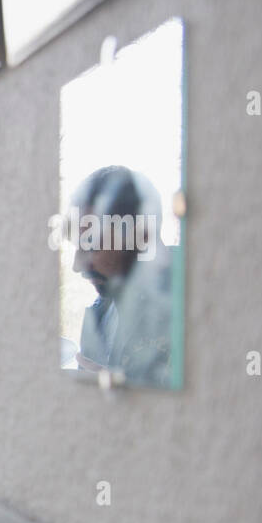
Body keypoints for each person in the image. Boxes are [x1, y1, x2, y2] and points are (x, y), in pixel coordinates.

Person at [68, 165, 174, 388]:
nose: (77, 266)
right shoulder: (99, 315)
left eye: (90, 245)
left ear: (142, 236)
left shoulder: (193, 306)